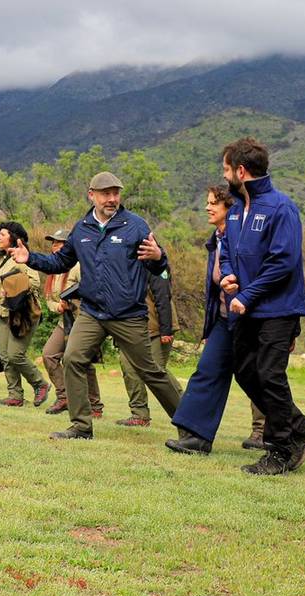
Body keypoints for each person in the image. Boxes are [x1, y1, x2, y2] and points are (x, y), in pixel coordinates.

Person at [12, 171, 182, 439]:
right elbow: (60, 262)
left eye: (116, 193)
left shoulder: (135, 226)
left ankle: (191, 427)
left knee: (150, 371)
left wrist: (159, 257)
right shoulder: (82, 229)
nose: (112, 199)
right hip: (91, 313)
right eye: (106, 194)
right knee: (72, 359)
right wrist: (30, 258)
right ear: (92, 195)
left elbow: (160, 269)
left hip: (128, 315)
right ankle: (81, 426)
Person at [218, 137, 305, 475]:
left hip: (278, 308)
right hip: (246, 309)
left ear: (241, 171)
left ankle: (279, 450)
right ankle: (301, 427)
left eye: (226, 169)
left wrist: (247, 295)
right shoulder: (235, 210)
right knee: (245, 371)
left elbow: (283, 262)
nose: (224, 176)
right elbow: (227, 250)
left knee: (270, 374)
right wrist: (229, 275)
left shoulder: (281, 208)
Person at [165, 184, 257, 454]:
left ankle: (288, 432)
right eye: (207, 202)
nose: (207, 207)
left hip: (248, 319)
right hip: (223, 320)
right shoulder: (215, 239)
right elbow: (214, 291)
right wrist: (209, 327)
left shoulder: (243, 238)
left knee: (258, 376)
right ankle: (195, 435)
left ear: (230, 208)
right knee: (207, 370)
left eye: (214, 203)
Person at [40, 229, 105, 418]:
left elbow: (92, 290)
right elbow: (49, 298)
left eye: (59, 243)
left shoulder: (78, 266)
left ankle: (95, 405)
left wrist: (73, 301)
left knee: (83, 362)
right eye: (53, 243)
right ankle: (64, 397)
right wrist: (58, 307)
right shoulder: (53, 270)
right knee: (49, 354)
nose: (54, 246)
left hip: (83, 320)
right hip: (65, 321)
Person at [0, 222, 51, 407]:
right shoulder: (2, 259)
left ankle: (40, 384)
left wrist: (13, 286)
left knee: (15, 355)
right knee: (4, 356)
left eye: (2, 234)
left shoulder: (22, 257)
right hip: (3, 313)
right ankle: (15, 395)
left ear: (13, 237)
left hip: (23, 314)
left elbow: (35, 282)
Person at [115, 258, 176, 427]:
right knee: (128, 367)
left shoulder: (155, 264)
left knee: (156, 370)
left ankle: (186, 409)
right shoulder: (123, 264)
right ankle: (139, 414)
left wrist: (166, 329)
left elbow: (163, 297)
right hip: (133, 328)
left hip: (157, 326)